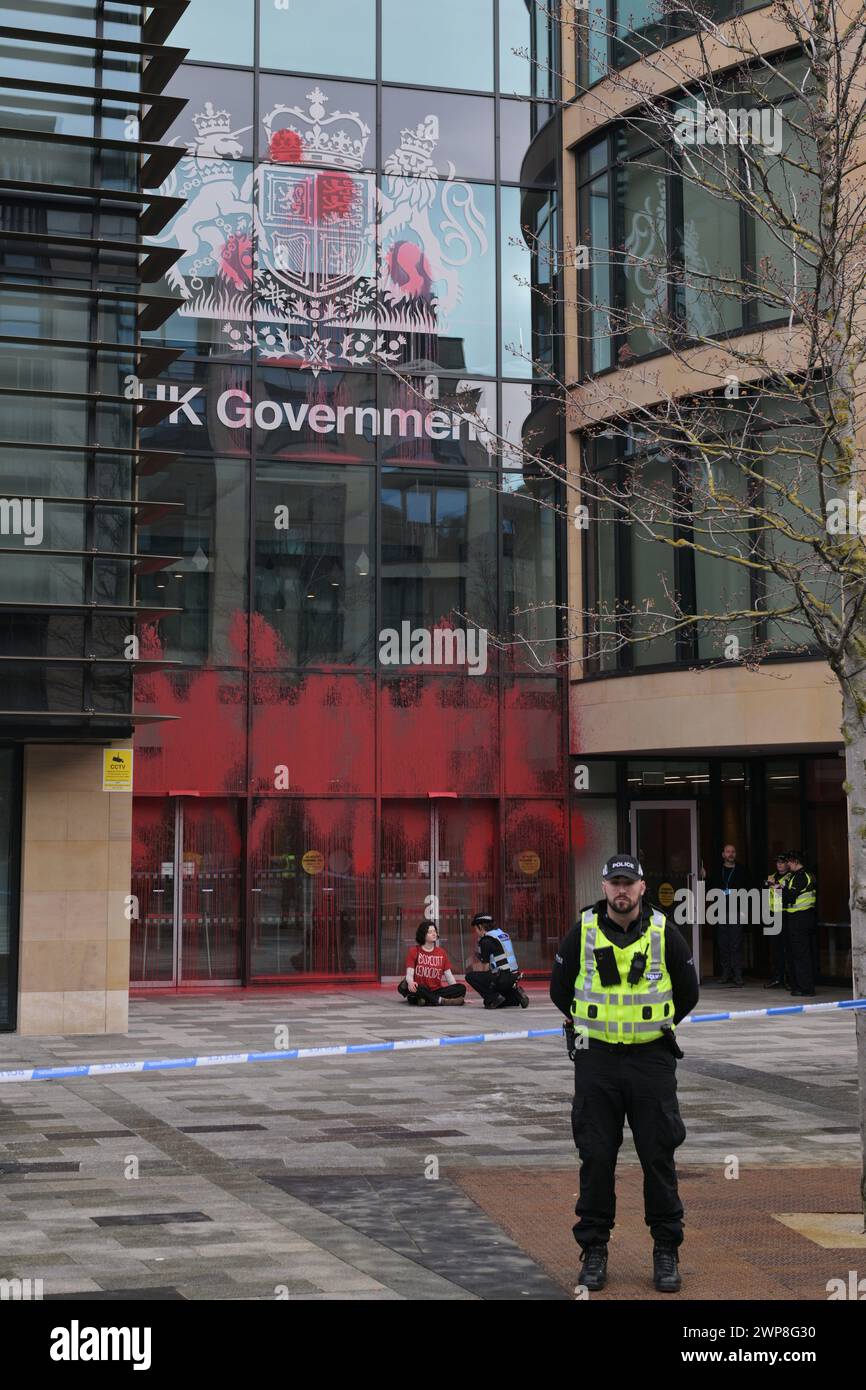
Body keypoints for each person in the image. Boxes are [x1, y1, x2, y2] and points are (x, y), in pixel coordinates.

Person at [550, 854, 700, 1294]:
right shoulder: (583, 931)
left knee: (658, 1156)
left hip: (651, 1061)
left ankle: (666, 1251)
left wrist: (649, 1027)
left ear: (641, 888)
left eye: (628, 883)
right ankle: (594, 1250)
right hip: (596, 1062)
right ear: (603, 887)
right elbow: (562, 990)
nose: (621, 890)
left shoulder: (663, 932)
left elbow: (688, 993)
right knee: (596, 1156)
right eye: (614, 883)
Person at [706, 844, 750, 986]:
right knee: (723, 943)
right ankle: (725, 973)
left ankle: (738, 975)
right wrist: (704, 876)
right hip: (721, 911)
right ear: (723, 854)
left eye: (733, 851)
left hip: (737, 911)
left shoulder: (742, 870)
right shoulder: (717, 870)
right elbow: (710, 887)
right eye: (728, 851)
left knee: (736, 944)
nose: (730, 854)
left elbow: (748, 890)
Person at [465, 912, 529, 1009]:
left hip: (501, 978)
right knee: (503, 1001)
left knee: (470, 977)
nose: (476, 932)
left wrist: (471, 966)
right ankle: (515, 995)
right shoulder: (502, 935)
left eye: (476, 929)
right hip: (514, 977)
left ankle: (493, 998)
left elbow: (485, 968)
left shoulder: (485, 940)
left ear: (480, 927)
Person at [397, 921, 466, 1006]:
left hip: (436, 990)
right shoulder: (414, 951)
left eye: (434, 931)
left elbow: (449, 975)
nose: (434, 934)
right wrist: (411, 982)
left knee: (461, 988)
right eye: (430, 932)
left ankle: (426, 1000)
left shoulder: (441, 952)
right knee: (417, 989)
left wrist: (457, 991)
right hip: (420, 987)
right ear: (423, 935)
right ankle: (440, 1000)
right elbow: (409, 974)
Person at [782, 851, 817, 997]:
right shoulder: (797, 875)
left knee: (800, 954)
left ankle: (805, 988)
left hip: (801, 918)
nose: (787, 864)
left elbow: (790, 896)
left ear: (795, 861)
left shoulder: (802, 876)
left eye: (789, 862)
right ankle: (799, 985)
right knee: (796, 953)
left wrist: (780, 889)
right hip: (798, 917)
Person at [763, 853, 790, 988]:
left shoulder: (790, 877)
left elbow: (788, 892)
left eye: (782, 862)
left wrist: (777, 885)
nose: (779, 864)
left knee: (787, 948)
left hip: (786, 914)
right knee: (775, 949)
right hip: (773, 914)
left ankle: (788, 979)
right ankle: (777, 977)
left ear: (788, 863)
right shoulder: (771, 877)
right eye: (778, 862)